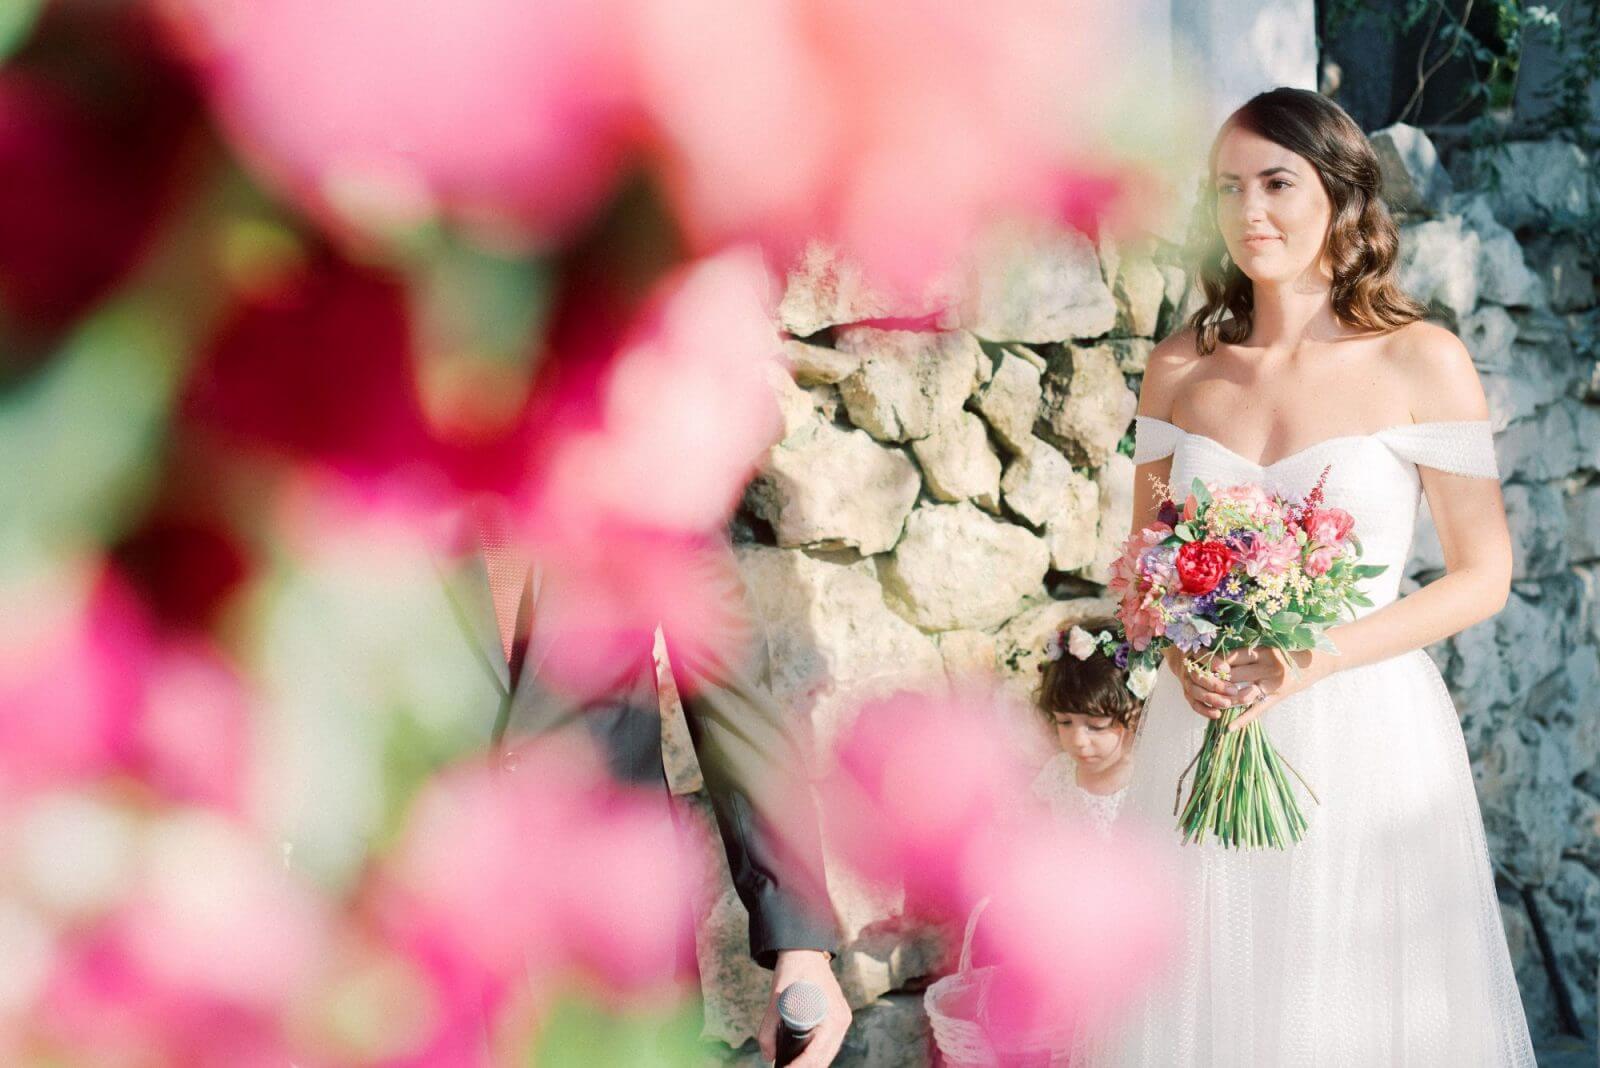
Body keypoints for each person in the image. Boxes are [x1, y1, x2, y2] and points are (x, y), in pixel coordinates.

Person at [1082, 87, 1535, 1065]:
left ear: (1338, 192)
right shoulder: (1177, 369)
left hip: (1366, 738)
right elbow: (1142, 573)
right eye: (1225, 188)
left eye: (1276, 183)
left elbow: (1482, 572)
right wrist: (1177, 657)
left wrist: (1320, 655)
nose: (1249, 213)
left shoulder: (1422, 360)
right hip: (1201, 739)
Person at [437, 497, 851, 1065]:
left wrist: (802, 943)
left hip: (615, 946)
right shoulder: (366, 454)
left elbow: (733, 697)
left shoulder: (645, 470)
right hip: (425, 952)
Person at [1029, 619, 1140, 838]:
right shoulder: (1059, 771)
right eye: (1064, 722)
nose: (1078, 740)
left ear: (1134, 714)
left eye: (1096, 726)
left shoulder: (1144, 783)